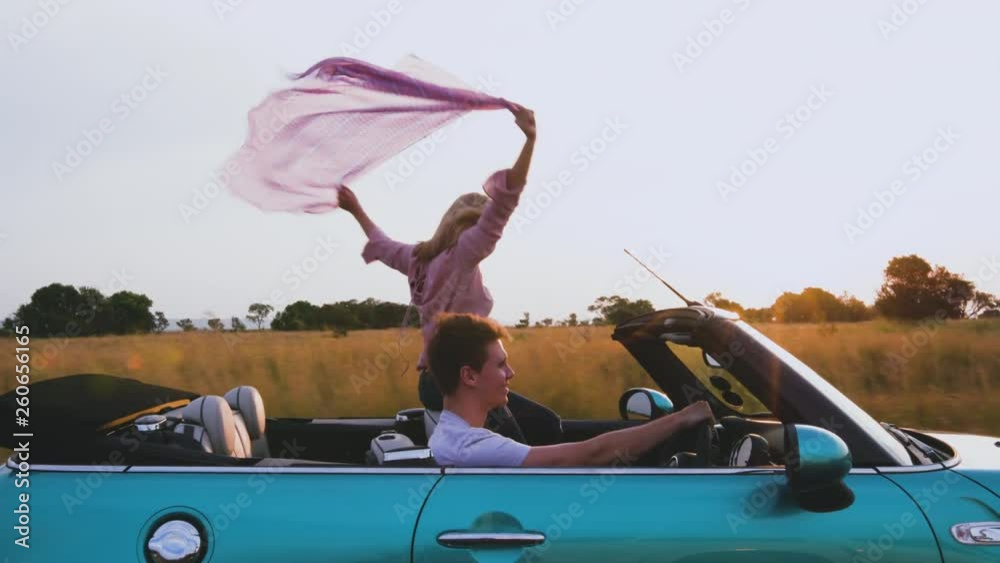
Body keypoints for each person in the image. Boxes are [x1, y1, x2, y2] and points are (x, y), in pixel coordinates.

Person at [339, 104, 562, 445]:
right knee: (521, 452)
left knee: (544, 426)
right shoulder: (464, 254)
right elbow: (505, 203)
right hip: (463, 380)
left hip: (435, 380)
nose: (490, 233)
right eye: (484, 224)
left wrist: (354, 208)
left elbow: (381, 243)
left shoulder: (418, 258)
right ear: (474, 225)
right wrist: (530, 140)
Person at [426, 313, 716, 467]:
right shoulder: (472, 448)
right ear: (469, 376)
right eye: (501, 365)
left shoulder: (454, 437)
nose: (510, 373)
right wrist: (679, 419)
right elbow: (591, 454)